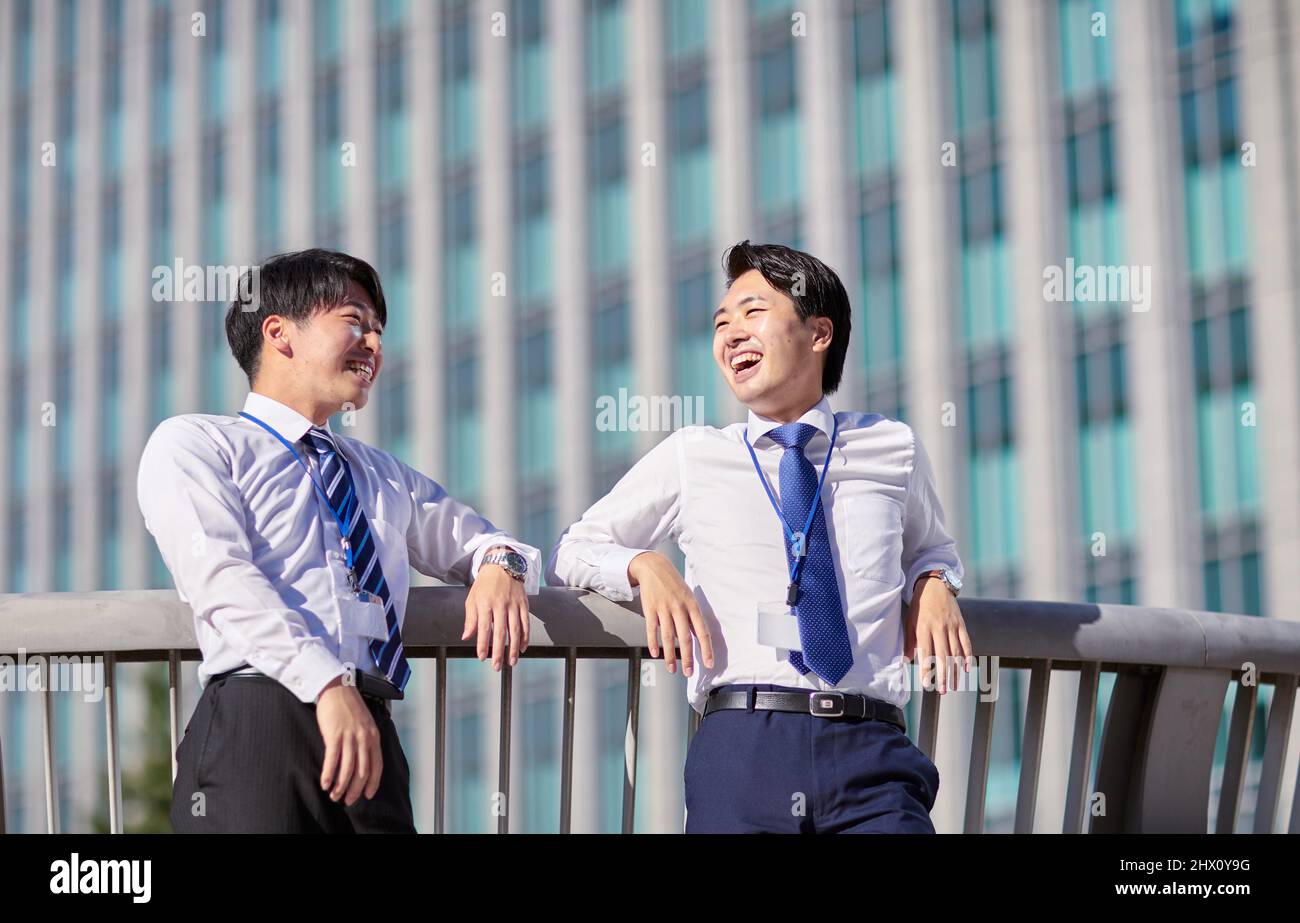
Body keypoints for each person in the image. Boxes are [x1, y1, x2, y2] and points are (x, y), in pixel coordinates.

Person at [547, 240, 972, 833]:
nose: (730, 335)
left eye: (752, 313)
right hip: (744, 746)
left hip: (872, 748)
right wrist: (645, 565)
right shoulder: (694, 455)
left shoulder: (891, 446)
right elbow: (575, 547)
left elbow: (934, 549)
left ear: (818, 333)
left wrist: (932, 582)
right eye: (722, 323)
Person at [138, 248, 539, 833]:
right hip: (262, 720)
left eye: (377, 330)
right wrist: (325, 682)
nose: (373, 345)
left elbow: (483, 541)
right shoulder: (197, 443)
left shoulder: (382, 473)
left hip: (371, 729)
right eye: (354, 321)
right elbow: (221, 580)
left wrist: (501, 566)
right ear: (279, 332)